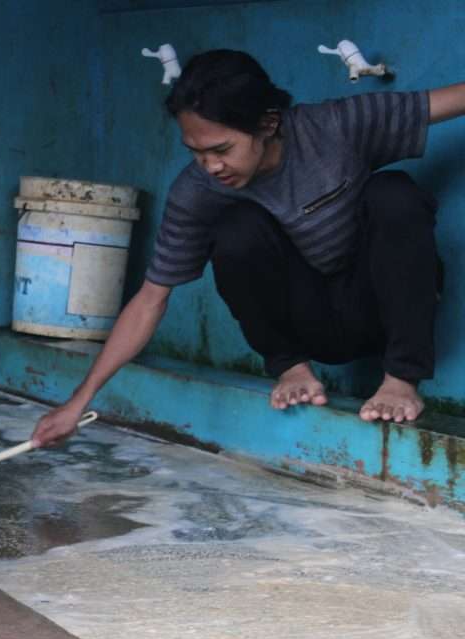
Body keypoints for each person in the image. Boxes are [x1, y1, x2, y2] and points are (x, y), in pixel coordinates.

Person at [32, 49, 465, 446]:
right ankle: (290, 368)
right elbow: (150, 298)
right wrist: (77, 402)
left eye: (222, 149)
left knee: (394, 192)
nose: (211, 166)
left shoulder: (337, 127)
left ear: (268, 123)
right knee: (237, 226)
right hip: (308, 322)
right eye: (197, 152)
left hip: (375, 307)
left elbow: (448, 100)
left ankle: (402, 379)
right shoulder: (198, 191)